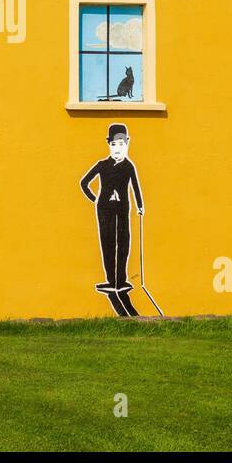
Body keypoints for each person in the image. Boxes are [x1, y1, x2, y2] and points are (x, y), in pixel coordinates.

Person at [79, 123, 144, 317]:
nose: (118, 148)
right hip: (105, 209)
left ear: (127, 144)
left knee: (123, 243)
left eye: (122, 144)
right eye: (114, 144)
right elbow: (84, 182)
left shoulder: (128, 166)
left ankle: (120, 280)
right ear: (109, 145)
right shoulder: (102, 165)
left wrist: (140, 205)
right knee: (107, 243)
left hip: (123, 208)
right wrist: (95, 199)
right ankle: (110, 280)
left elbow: (135, 187)